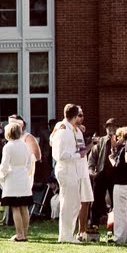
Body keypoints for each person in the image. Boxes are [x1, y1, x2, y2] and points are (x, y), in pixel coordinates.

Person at [49, 103, 87, 243]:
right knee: (68, 203)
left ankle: (68, 234)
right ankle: (65, 235)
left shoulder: (68, 128)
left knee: (74, 202)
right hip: (66, 168)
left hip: (71, 169)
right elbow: (60, 154)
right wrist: (78, 155)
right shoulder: (64, 130)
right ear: (75, 116)